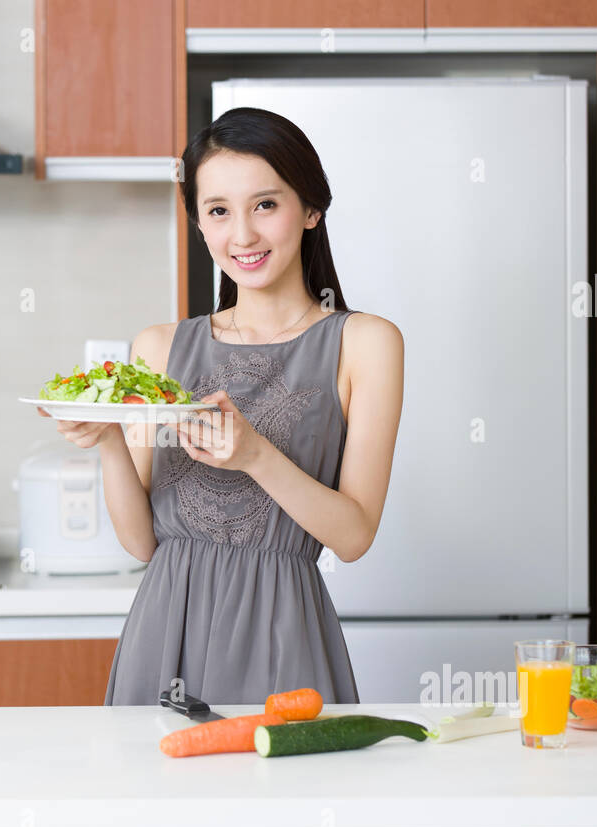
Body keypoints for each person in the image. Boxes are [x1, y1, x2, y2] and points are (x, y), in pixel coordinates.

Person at [37, 106, 404, 705]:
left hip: (283, 638)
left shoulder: (365, 343)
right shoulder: (159, 348)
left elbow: (354, 536)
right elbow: (141, 543)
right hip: (164, 632)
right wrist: (107, 438)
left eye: (266, 204)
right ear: (200, 226)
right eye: (218, 211)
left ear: (311, 209)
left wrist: (257, 455)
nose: (243, 235)